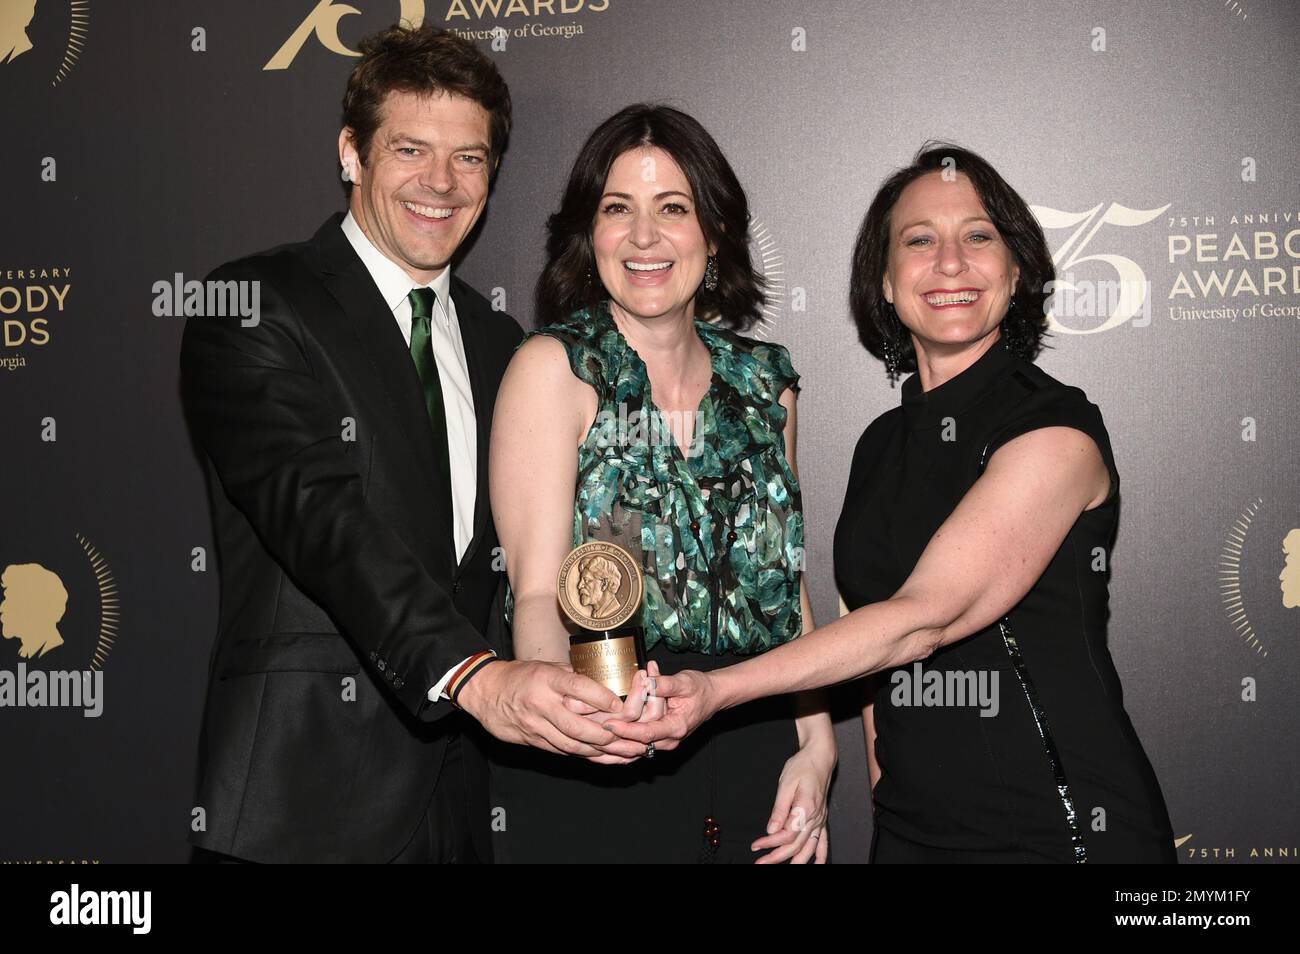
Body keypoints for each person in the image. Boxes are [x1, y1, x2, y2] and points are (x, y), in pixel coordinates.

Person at [611, 143, 1177, 864]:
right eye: (919, 241)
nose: (949, 263)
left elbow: (920, 621)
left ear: (1017, 269)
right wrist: (885, 806)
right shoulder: (880, 444)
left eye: (978, 237)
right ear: (882, 281)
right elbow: (874, 655)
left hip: (1060, 830)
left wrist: (715, 691)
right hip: (913, 834)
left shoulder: (1056, 429)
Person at [179, 24, 627, 865]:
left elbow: (543, 553)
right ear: (352, 153)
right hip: (298, 811)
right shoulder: (251, 304)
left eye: (470, 158)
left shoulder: (504, 347)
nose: (441, 183)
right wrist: (474, 675)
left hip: (461, 808)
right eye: (411, 149)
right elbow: (319, 515)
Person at [488, 104, 836, 863]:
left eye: (672, 208)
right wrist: (580, 717)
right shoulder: (556, 370)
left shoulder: (766, 385)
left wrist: (814, 751)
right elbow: (538, 593)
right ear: (591, 235)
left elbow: (789, 587)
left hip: (752, 737)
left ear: (712, 234)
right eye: (619, 209)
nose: (644, 237)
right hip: (600, 747)